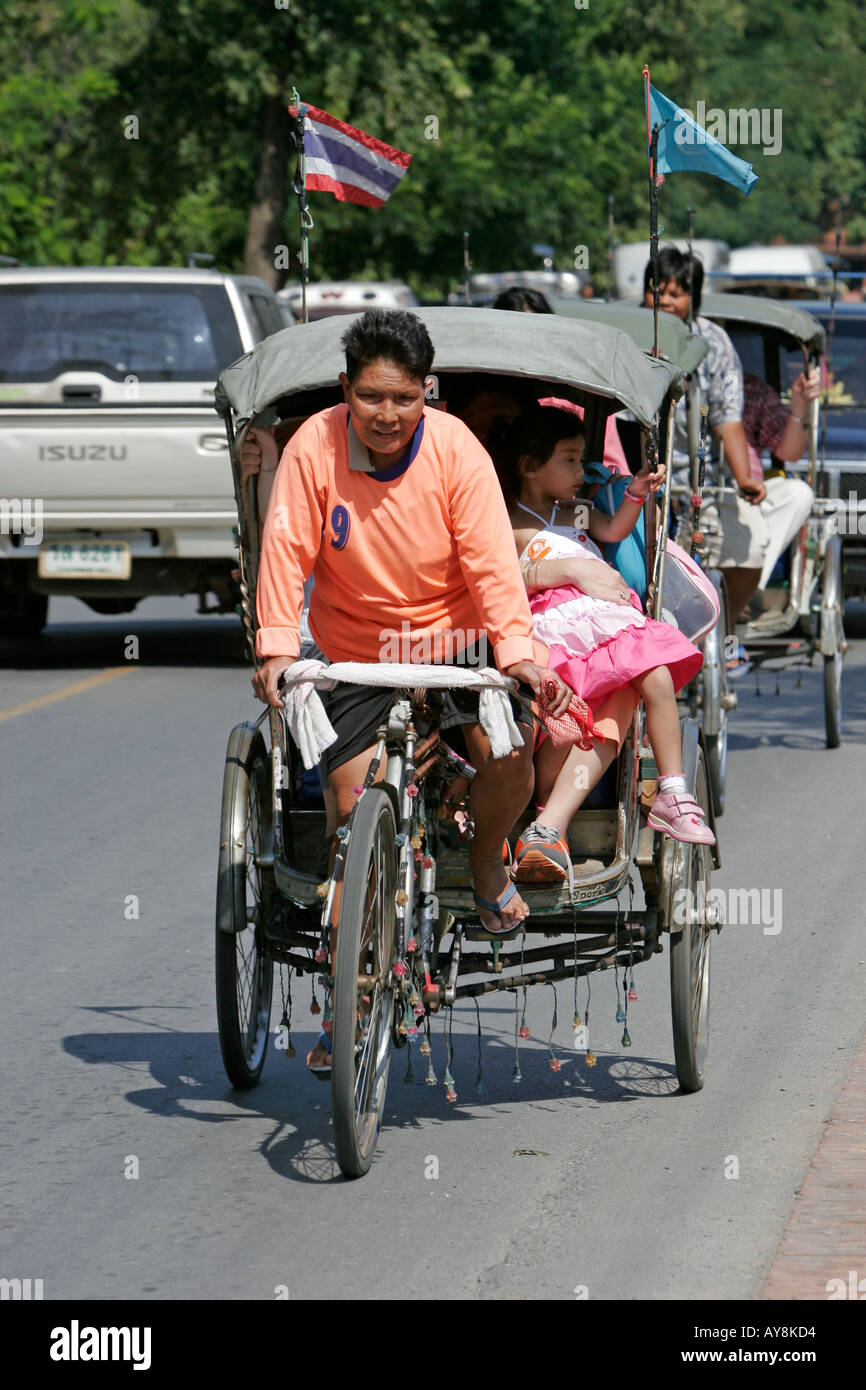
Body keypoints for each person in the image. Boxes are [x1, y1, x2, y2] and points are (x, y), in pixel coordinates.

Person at [252, 311, 573, 1011]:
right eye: (370, 397)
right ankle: (354, 996)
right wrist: (277, 648)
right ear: (345, 390)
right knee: (348, 804)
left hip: (453, 642)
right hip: (354, 651)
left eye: (405, 398)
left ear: (428, 392)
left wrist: (517, 655)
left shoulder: (456, 450)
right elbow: (284, 551)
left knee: (510, 758)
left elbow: (493, 566)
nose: (387, 414)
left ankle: (487, 861)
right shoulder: (314, 446)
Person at [495, 404, 714, 882]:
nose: (583, 472)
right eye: (570, 460)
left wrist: (634, 496)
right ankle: (546, 824)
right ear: (531, 467)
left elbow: (612, 530)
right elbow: (499, 579)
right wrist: (568, 570)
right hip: (553, 627)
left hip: (605, 618)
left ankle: (673, 789)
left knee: (651, 673)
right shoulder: (510, 522)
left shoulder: (572, 509)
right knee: (579, 709)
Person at [643, 249, 765, 622]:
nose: (664, 300)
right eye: (656, 290)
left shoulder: (714, 343)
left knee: (752, 546)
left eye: (676, 294)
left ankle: (724, 624)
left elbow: (727, 416)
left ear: (692, 300)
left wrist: (745, 477)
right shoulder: (624, 333)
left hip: (699, 484)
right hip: (637, 483)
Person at [741, 368, 820, 594]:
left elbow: (789, 453)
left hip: (747, 490)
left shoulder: (752, 389)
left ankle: (748, 591)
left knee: (799, 493)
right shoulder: (683, 383)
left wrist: (798, 407)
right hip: (690, 484)